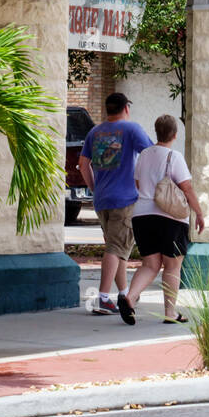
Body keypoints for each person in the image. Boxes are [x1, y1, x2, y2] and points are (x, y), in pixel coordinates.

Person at [116, 114, 204, 326]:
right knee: (172, 266)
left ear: (156, 132)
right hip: (170, 218)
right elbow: (187, 188)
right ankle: (170, 313)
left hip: (142, 216)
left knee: (150, 264)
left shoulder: (143, 155)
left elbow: (138, 184)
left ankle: (130, 297)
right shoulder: (174, 156)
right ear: (174, 134)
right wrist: (199, 213)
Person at [78, 92, 152, 315]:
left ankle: (124, 293)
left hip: (102, 201)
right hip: (125, 199)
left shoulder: (95, 132)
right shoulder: (132, 129)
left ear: (107, 109)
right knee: (115, 248)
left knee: (118, 249)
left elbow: (83, 164)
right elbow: (150, 155)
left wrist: (94, 188)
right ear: (126, 108)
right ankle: (102, 298)